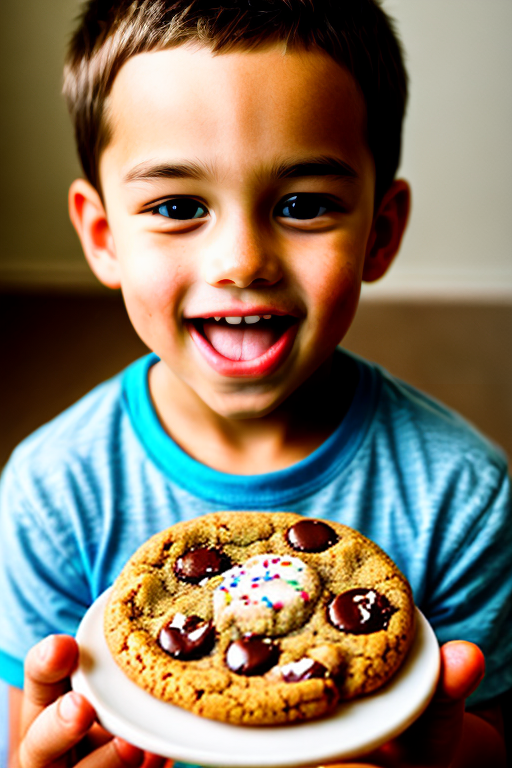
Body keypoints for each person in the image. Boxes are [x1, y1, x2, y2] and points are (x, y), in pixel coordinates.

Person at [0, 1, 510, 766]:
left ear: (380, 232)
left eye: (303, 205)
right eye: (177, 206)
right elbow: (24, 737)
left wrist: (443, 754)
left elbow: (494, 740)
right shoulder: (51, 490)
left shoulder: (463, 497)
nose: (242, 260)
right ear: (103, 236)